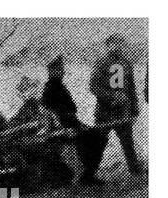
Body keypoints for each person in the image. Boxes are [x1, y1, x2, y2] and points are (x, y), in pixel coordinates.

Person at [43, 56, 107, 185]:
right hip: (63, 127)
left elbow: (71, 109)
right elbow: (49, 112)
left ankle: (88, 173)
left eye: (62, 69)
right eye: (60, 69)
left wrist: (79, 124)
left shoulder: (59, 85)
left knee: (99, 136)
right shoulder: (50, 88)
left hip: (72, 123)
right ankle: (86, 175)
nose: (63, 72)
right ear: (52, 71)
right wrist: (63, 128)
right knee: (96, 138)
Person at [89, 33, 142, 177]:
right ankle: (89, 174)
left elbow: (131, 88)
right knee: (99, 143)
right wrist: (112, 97)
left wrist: (134, 108)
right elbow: (93, 86)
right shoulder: (101, 62)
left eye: (120, 43)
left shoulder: (126, 63)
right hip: (105, 111)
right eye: (114, 43)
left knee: (127, 141)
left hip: (123, 111)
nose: (118, 46)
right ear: (108, 46)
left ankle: (135, 170)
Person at [9, 76, 72, 189]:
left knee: (65, 176)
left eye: (34, 88)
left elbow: (58, 127)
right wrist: (36, 139)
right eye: (27, 90)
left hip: (50, 149)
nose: (32, 93)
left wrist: (62, 133)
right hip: (33, 153)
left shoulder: (47, 112)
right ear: (22, 95)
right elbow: (16, 137)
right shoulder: (21, 115)